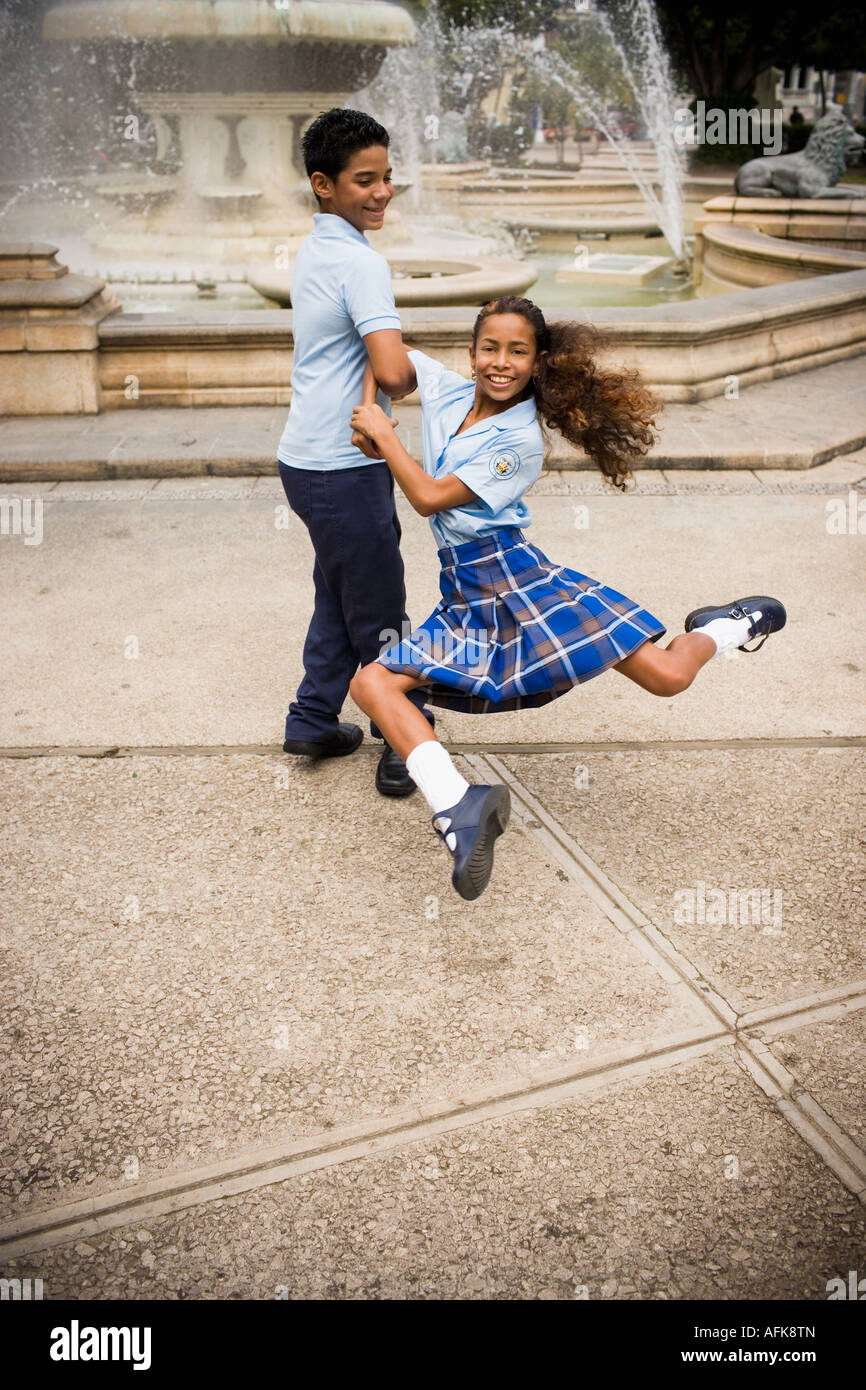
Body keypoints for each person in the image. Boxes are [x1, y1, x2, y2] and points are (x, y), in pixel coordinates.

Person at [349, 296, 786, 901]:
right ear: (472, 352)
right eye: (490, 348)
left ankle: (727, 626)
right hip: (465, 591)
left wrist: (383, 438)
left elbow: (425, 496)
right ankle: (459, 803)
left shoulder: (519, 440)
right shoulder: (449, 390)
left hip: (517, 580)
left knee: (665, 678)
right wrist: (372, 408)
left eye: (518, 352)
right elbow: (388, 358)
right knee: (372, 683)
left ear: (539, 362)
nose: (501, 363)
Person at [278, 107, 432, 797]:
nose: (380, 193)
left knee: (338, 591)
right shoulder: (362, 263)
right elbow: (394, 373)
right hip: (346, 463)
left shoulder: (316, 249)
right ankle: (406, 738)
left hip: (305, 461)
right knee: (380, 608)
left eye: (387, 178)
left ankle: (313, 719)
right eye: (363, 180)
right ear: (323, 184)